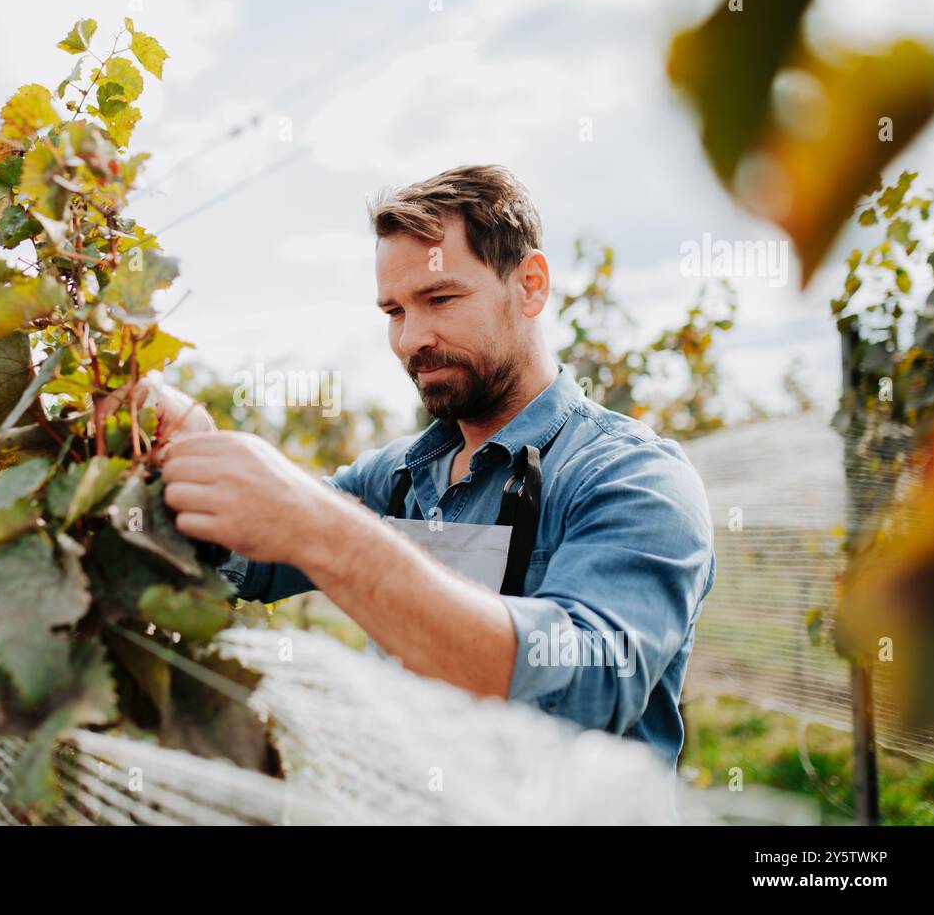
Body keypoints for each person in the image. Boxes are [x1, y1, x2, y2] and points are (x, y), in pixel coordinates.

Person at [147, 165, 716, 769]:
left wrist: (328, 532)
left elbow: (586, 690)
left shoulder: (630, 477)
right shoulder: (398, 475)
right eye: (393, 310)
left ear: (529, 285)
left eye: (440, 298)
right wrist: (187, 448)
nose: (410, 339)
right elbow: (247, 563)